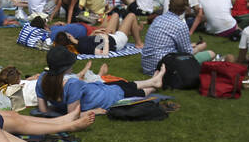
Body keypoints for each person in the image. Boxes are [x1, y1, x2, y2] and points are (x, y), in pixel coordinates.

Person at [37, 45, 166, 114]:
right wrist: (93, 111)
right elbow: (73, 115)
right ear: (66, 67)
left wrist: (56, 111)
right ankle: (154, 85)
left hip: (97, 88)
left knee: (122, 84)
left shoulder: (42, 79)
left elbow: (43, 110)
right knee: (134, 92)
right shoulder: (72, 85)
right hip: (107, 96)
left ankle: (153, 81)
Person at [142, 0, 204, 75]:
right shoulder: (180, 25)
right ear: (185, 8)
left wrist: (192, 45)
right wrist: (199, 48)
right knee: (210, 53)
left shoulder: (158, 19)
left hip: (147, 66)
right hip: (163, 67)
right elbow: (187, 53)